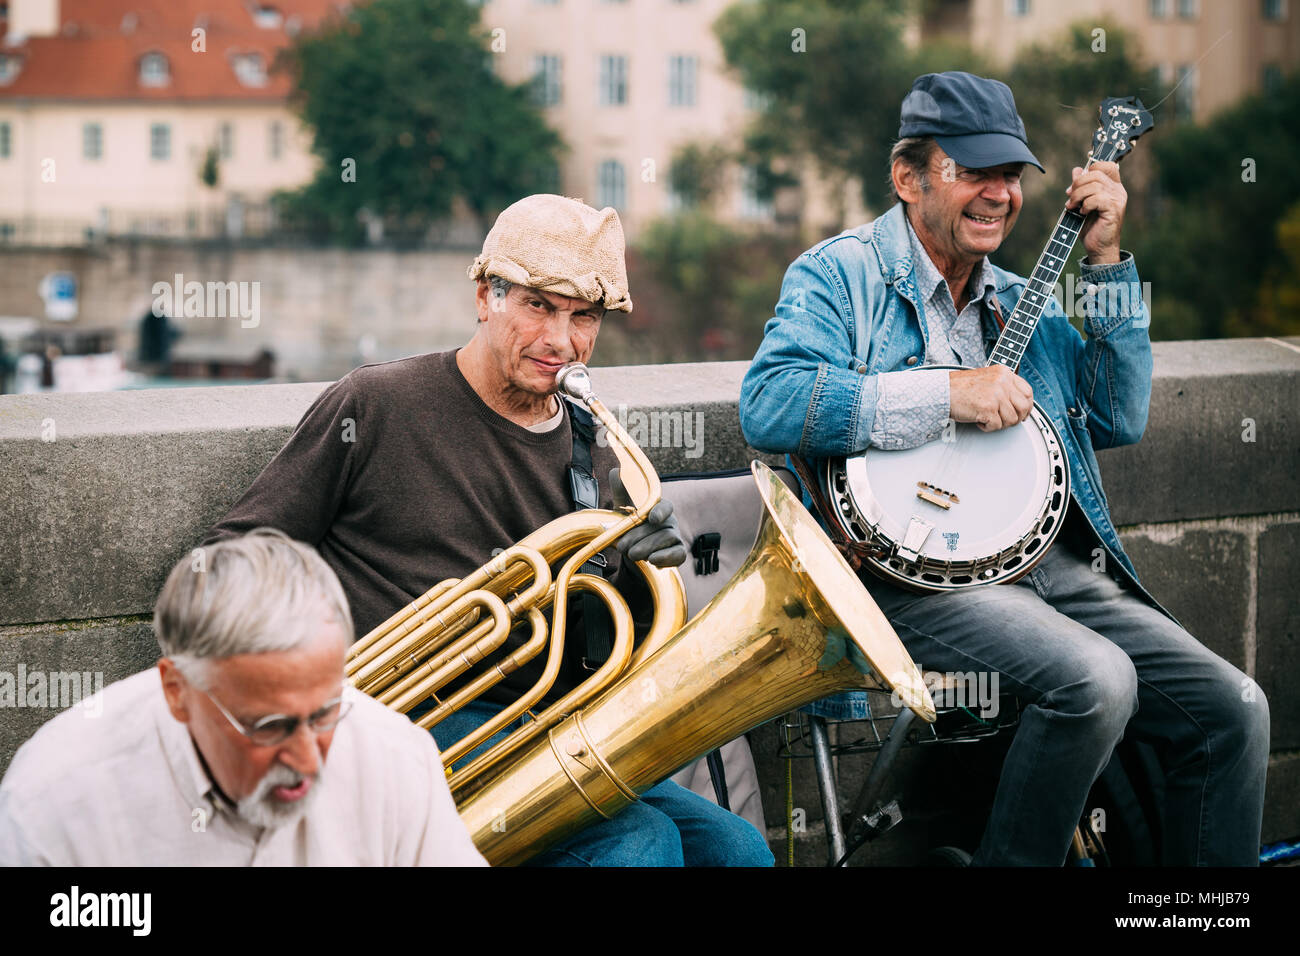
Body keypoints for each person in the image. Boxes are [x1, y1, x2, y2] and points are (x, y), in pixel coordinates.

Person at [740, 72, 1269, 866]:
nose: (999, 194)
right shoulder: (838, 276)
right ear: (908, 177)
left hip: (1048, 566)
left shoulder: (1022, 300)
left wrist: (1108, 261)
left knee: (1234, 708)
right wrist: (947, 394)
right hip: (902, 578)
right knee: (1094, 682)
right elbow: (770, 403)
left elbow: (1120, 415)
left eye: (1011, 175)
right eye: (972, 172)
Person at [204, 194, 773, 867]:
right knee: (638, 847)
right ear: (485, 296)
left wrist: (638, 578)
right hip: (391, 718)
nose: (561, 341)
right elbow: (227, 560)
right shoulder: (377, 403)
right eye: (538, 305)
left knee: (738, 851)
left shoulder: (593, 445)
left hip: (536, 722)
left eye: (582, 316)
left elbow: (591, 646)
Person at [0, 528, 485, 866]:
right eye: (269, 725)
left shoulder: (395, 755)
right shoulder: (53, 803)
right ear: (177, 691)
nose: (305, 758)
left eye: (324, 713)